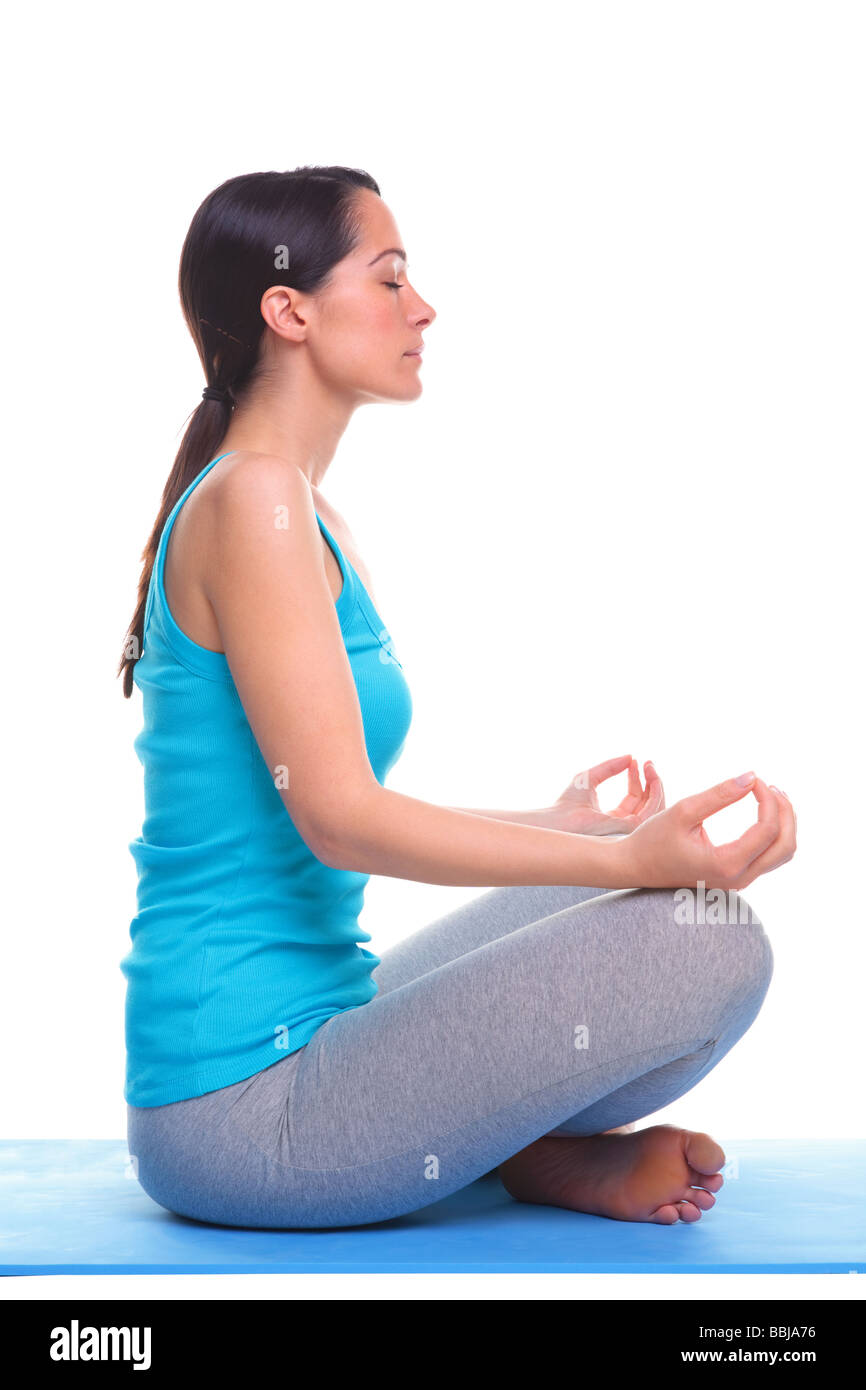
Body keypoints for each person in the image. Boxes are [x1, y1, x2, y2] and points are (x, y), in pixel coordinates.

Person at [117, 165, 795, 1230]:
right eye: (388, 280)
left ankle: (519, 1151)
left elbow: (329, 792)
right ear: (288, 310)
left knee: (620, 898)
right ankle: (524, 1148)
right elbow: (339, 818)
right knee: (712, 935)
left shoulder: (302, 510)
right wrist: (625, 856)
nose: (420, 307)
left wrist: (568, 828)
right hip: (243, 1115)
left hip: (326, 1028)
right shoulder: (253, 502)